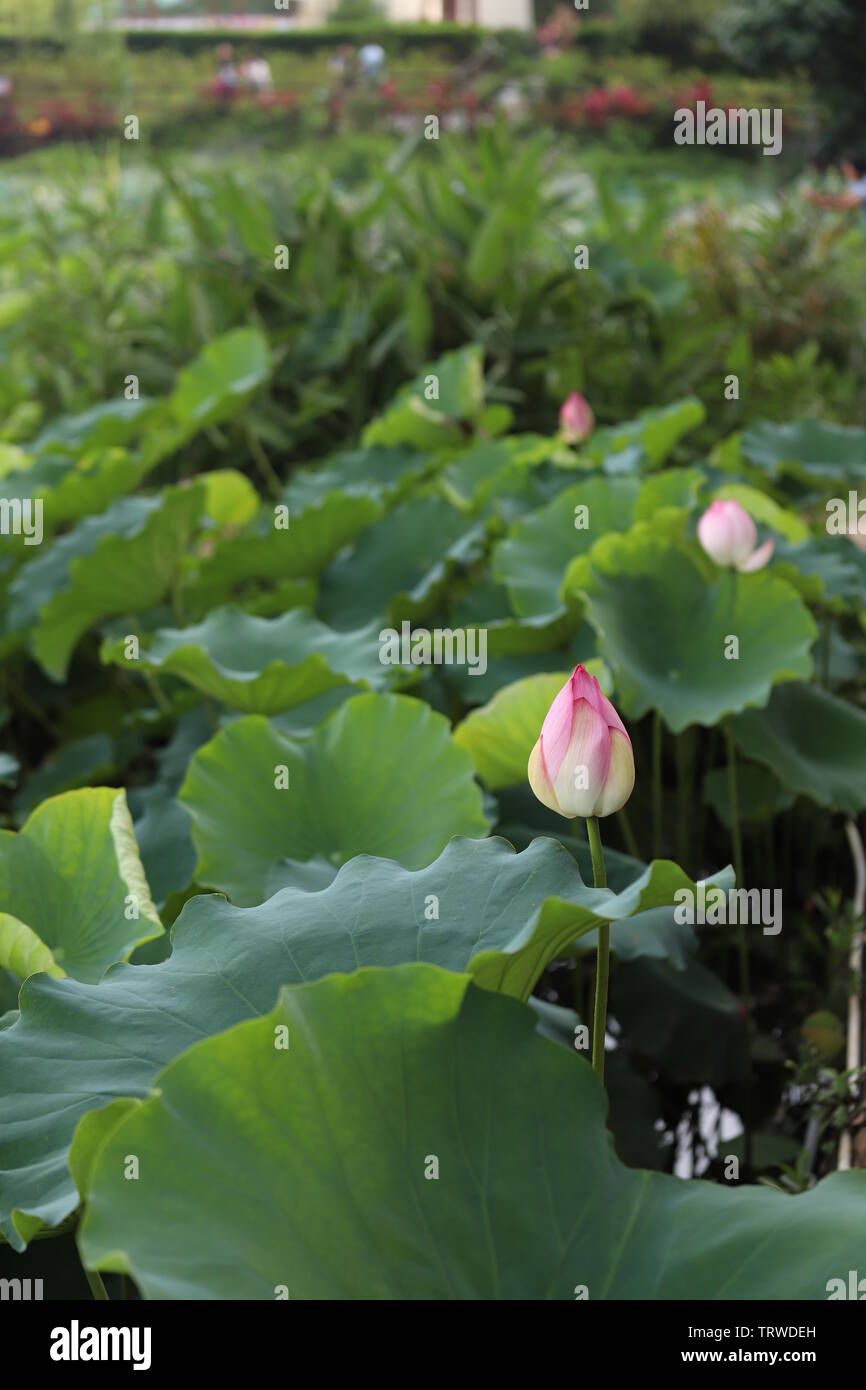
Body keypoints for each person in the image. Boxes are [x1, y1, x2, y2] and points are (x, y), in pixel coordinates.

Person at [803, 155, 866, 221]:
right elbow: (842, 198)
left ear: (854, 168)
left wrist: (815, 198)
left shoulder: (863, 185)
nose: (845, 172)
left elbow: (842, 203)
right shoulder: (855, 182)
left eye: (847, 169)